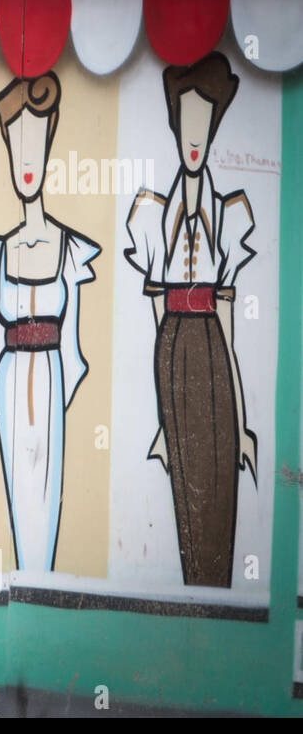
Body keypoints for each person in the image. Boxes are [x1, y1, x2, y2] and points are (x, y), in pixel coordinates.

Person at [124, 52, 256, 588]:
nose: (196, 138)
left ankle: (216, 588)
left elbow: (229, 317)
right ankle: (195, 588)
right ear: (176, 126)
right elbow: (158, 313)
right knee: (184, 474)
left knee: (220, 469)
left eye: (207, 124)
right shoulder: (154, 212)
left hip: (213, 349)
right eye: (188, 123)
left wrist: (242, 420)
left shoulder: (229, 214)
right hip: (173, 347)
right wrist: (159, 416)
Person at [0, 73, 99, 573]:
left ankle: (39, 577)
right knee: (19, 484)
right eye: (17, 147)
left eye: (35, 146)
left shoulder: (71, 248)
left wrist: (57, 386)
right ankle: (25, 568)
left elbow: (77, 346)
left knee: (48, 480)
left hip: (52, 375)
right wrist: (2, 376)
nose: (27, 163)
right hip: (10, 378)